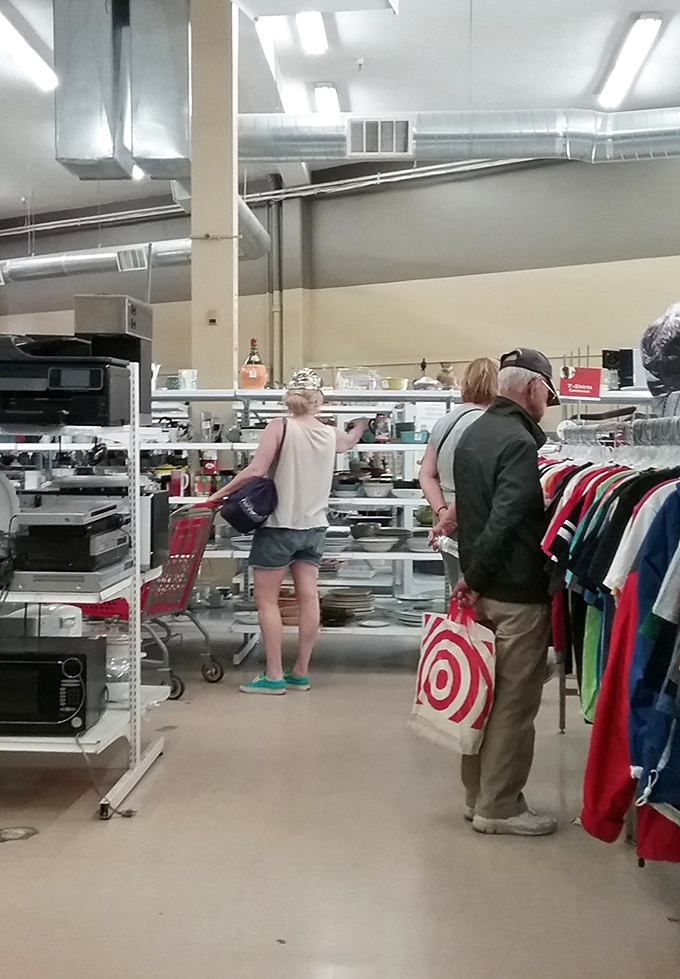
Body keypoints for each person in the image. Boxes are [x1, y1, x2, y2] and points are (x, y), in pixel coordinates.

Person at [432, 348, 560, 837]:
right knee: (513, 703)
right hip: (513, 590)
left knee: (479, 695)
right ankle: (500, 806)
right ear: (532, 389)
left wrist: (469, 578)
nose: (548, 400)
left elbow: (469, 509)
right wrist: (479, 577)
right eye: (548, 391)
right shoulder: (521, 444)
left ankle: (476, 795)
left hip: (481, 585)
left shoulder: (474, 434)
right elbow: (507, 518)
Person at [205, 370, 369, 695]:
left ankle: (273, 675)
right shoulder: (330, 433)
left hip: (279, 527)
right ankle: (300, 672)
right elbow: (350, 440)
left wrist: (217, 497)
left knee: (267, 601)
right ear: (318, 400)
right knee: (309, 597)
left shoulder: (279, 427)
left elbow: (255, 470)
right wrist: (362, 421)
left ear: (288, 398)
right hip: (314, 529)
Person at [419, 357, 498, 581]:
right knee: (478, 598)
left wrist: (443, 513)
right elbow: (476, 482)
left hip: (445, 518)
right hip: (475, 516)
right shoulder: (489, 424)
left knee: (457, 593)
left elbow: (426, 475)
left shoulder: (445, 421)